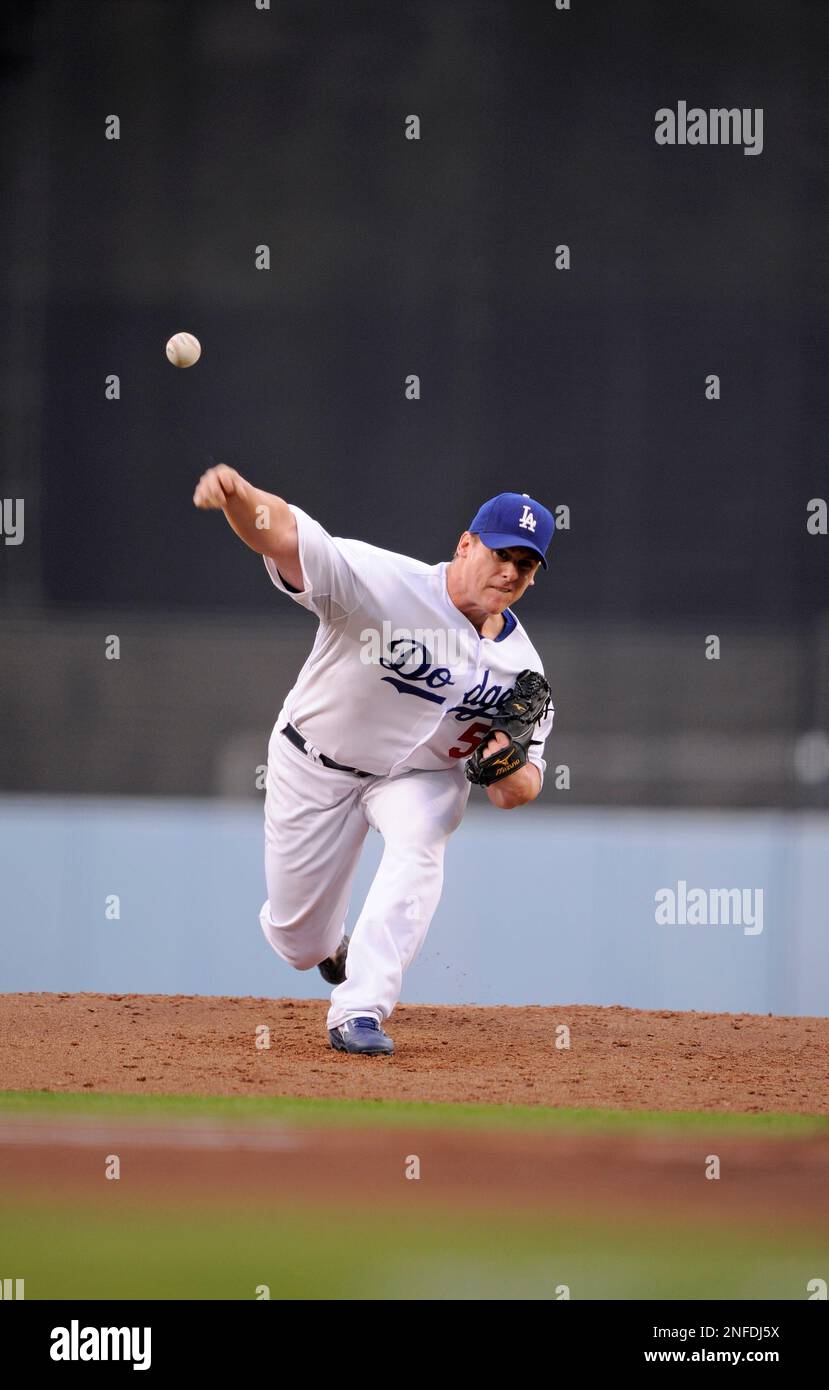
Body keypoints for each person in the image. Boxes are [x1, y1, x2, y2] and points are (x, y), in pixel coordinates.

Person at [193, 467, 555, 1055]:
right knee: (297, 943)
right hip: (316, 762)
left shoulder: (523, 670)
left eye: (526, 563)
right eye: (500, 553)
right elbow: (283, 533)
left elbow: (519, 789)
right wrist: (239, 497)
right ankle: (331, 946)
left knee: (421, 845)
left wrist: (509, 767)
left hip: (419, 778)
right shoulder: (383, 582)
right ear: (466, 545)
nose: (510, 571)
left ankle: (359, 1009)